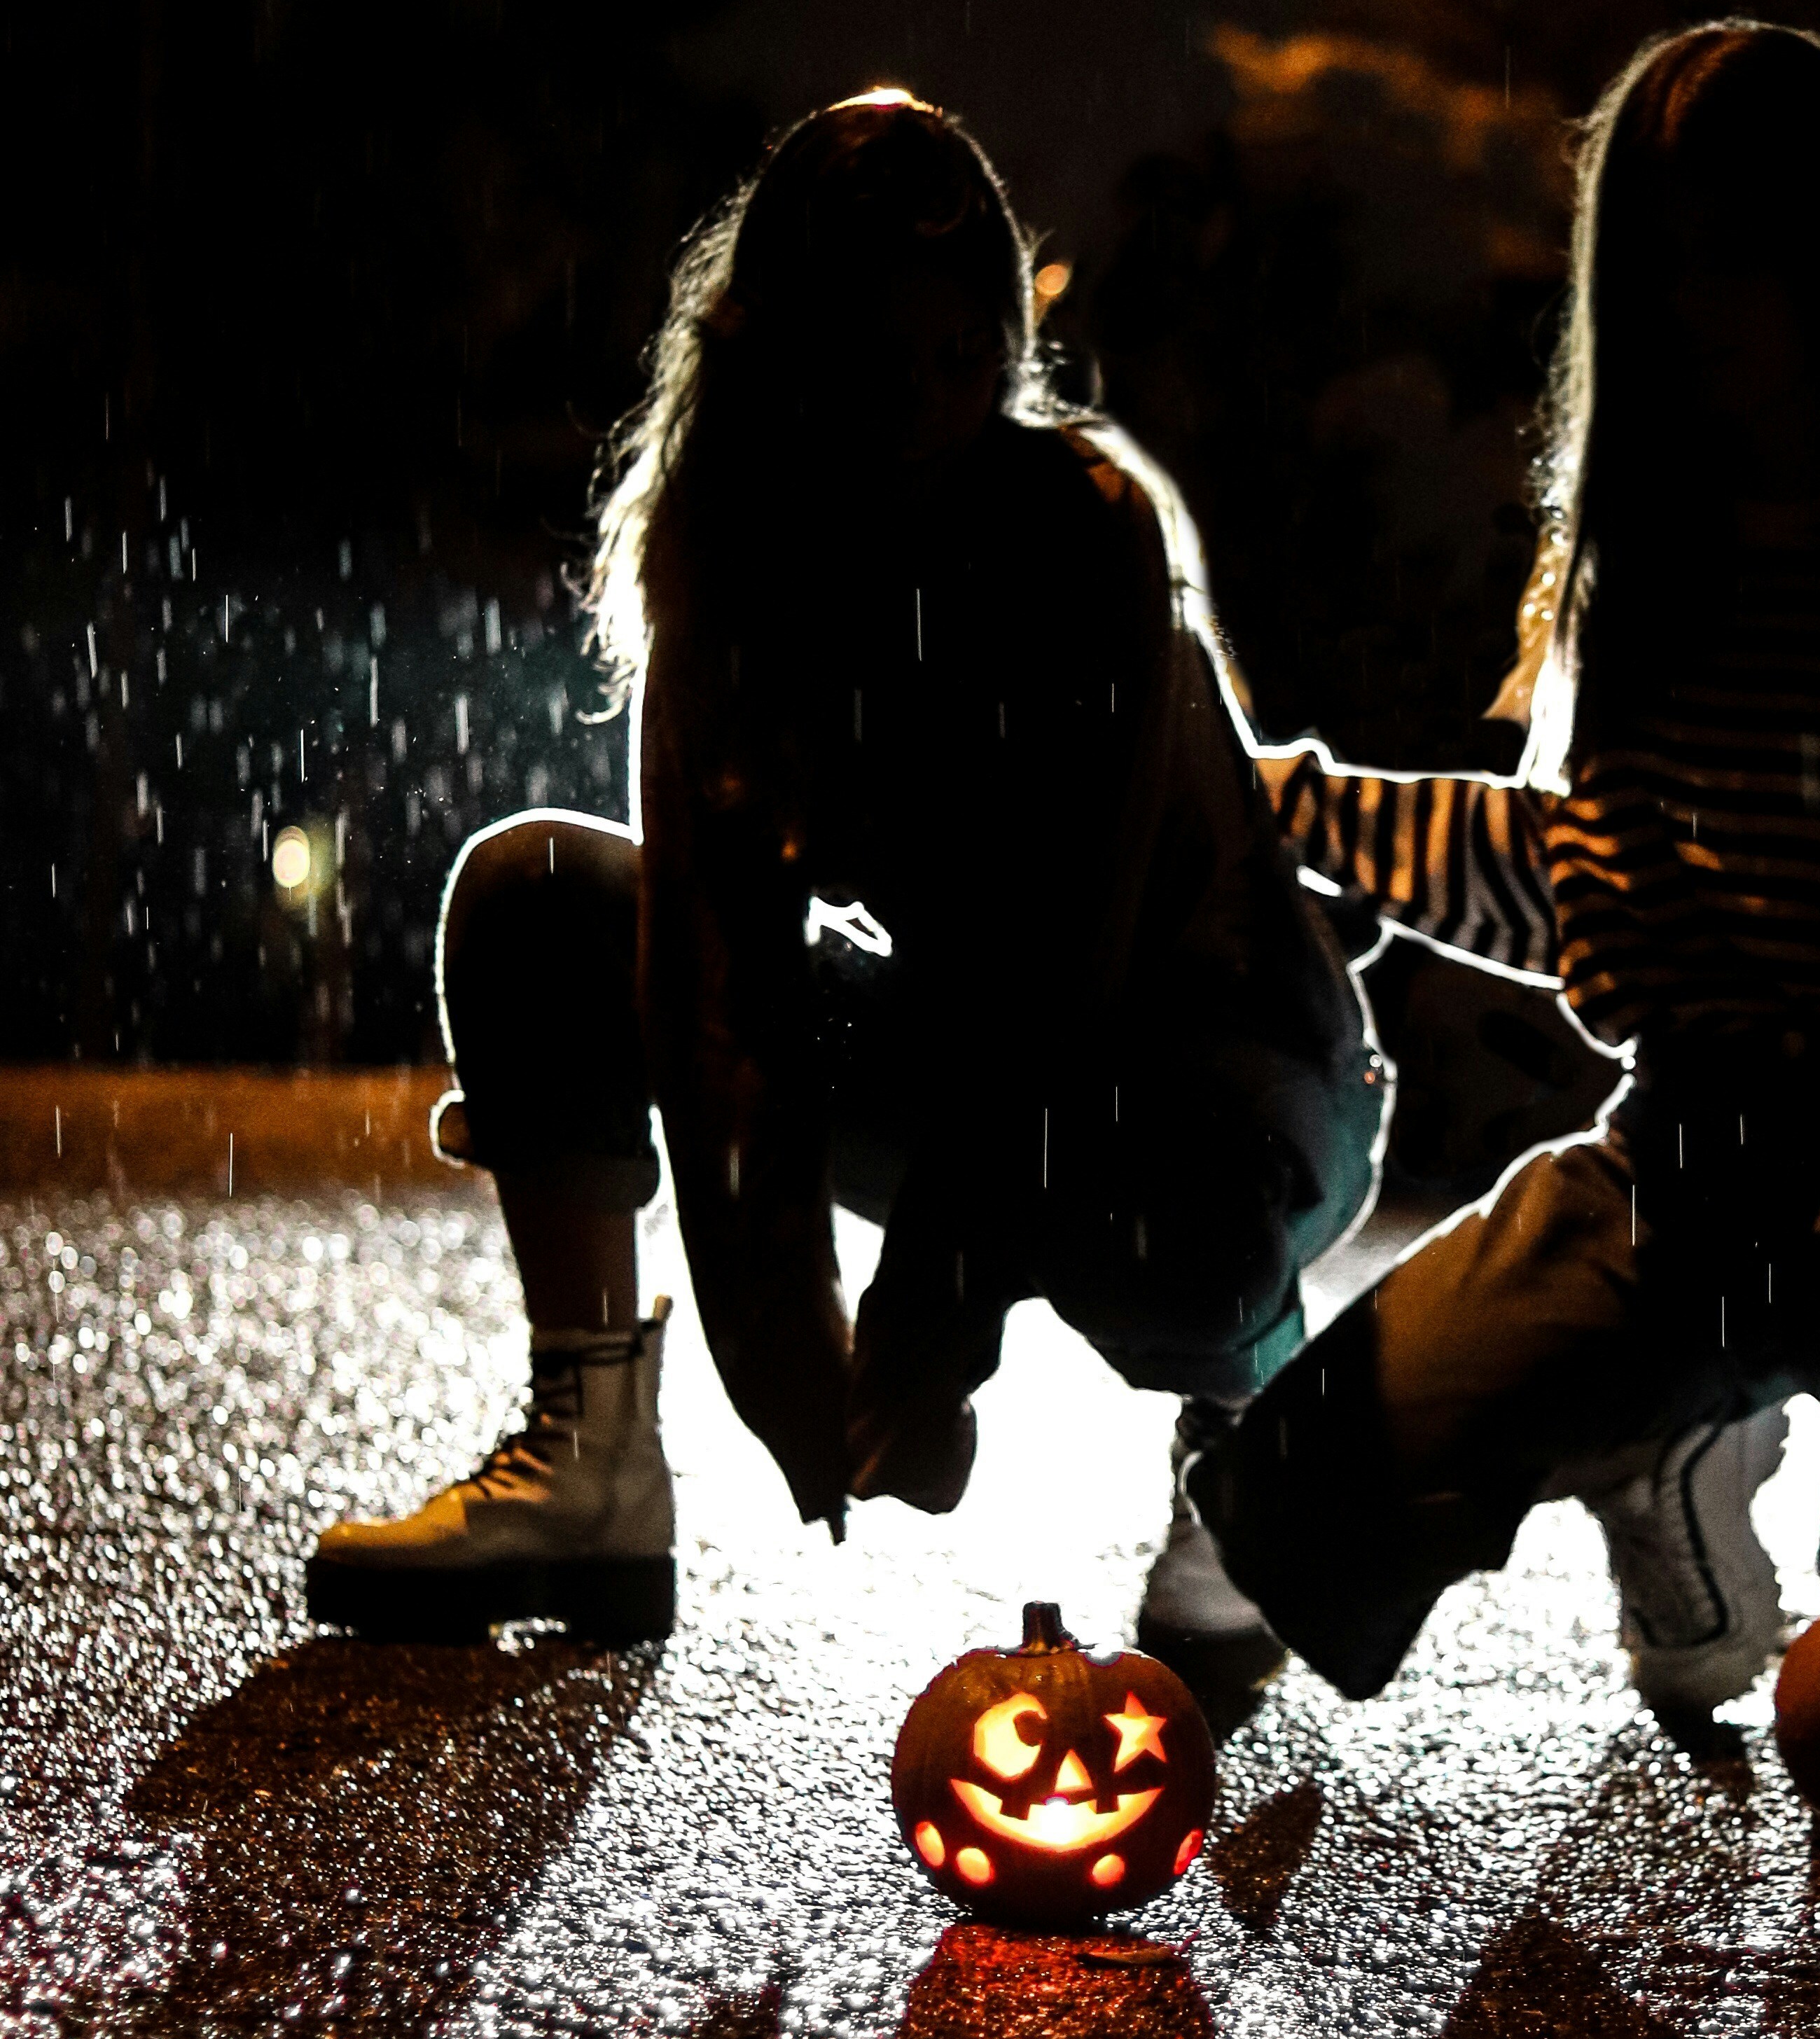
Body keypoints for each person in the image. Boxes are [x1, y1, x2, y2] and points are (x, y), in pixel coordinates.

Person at [307, 92, 1382, 1655]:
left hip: (1216, 1071)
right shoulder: (730, 547)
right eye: (878, 365)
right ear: (784, 356)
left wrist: (923, 1332)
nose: (926, 407)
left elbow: (1055, 991)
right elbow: (714, 984)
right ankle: (592, 1455)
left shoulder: (1084, 529)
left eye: (965, 361)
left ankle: (1250, 1409)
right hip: (967, 1044)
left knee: (1176, 1247)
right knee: (540, 902)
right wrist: (794, 1373)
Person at [1190, 20, 1820, 1720]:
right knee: (1293, 1504)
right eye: (1666, 271)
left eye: (1744, 261)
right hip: (1683, 1162)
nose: (1704, 311)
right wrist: (1290, 813)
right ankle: (1662, 1440)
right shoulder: (1637, 549)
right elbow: (1587, 881)